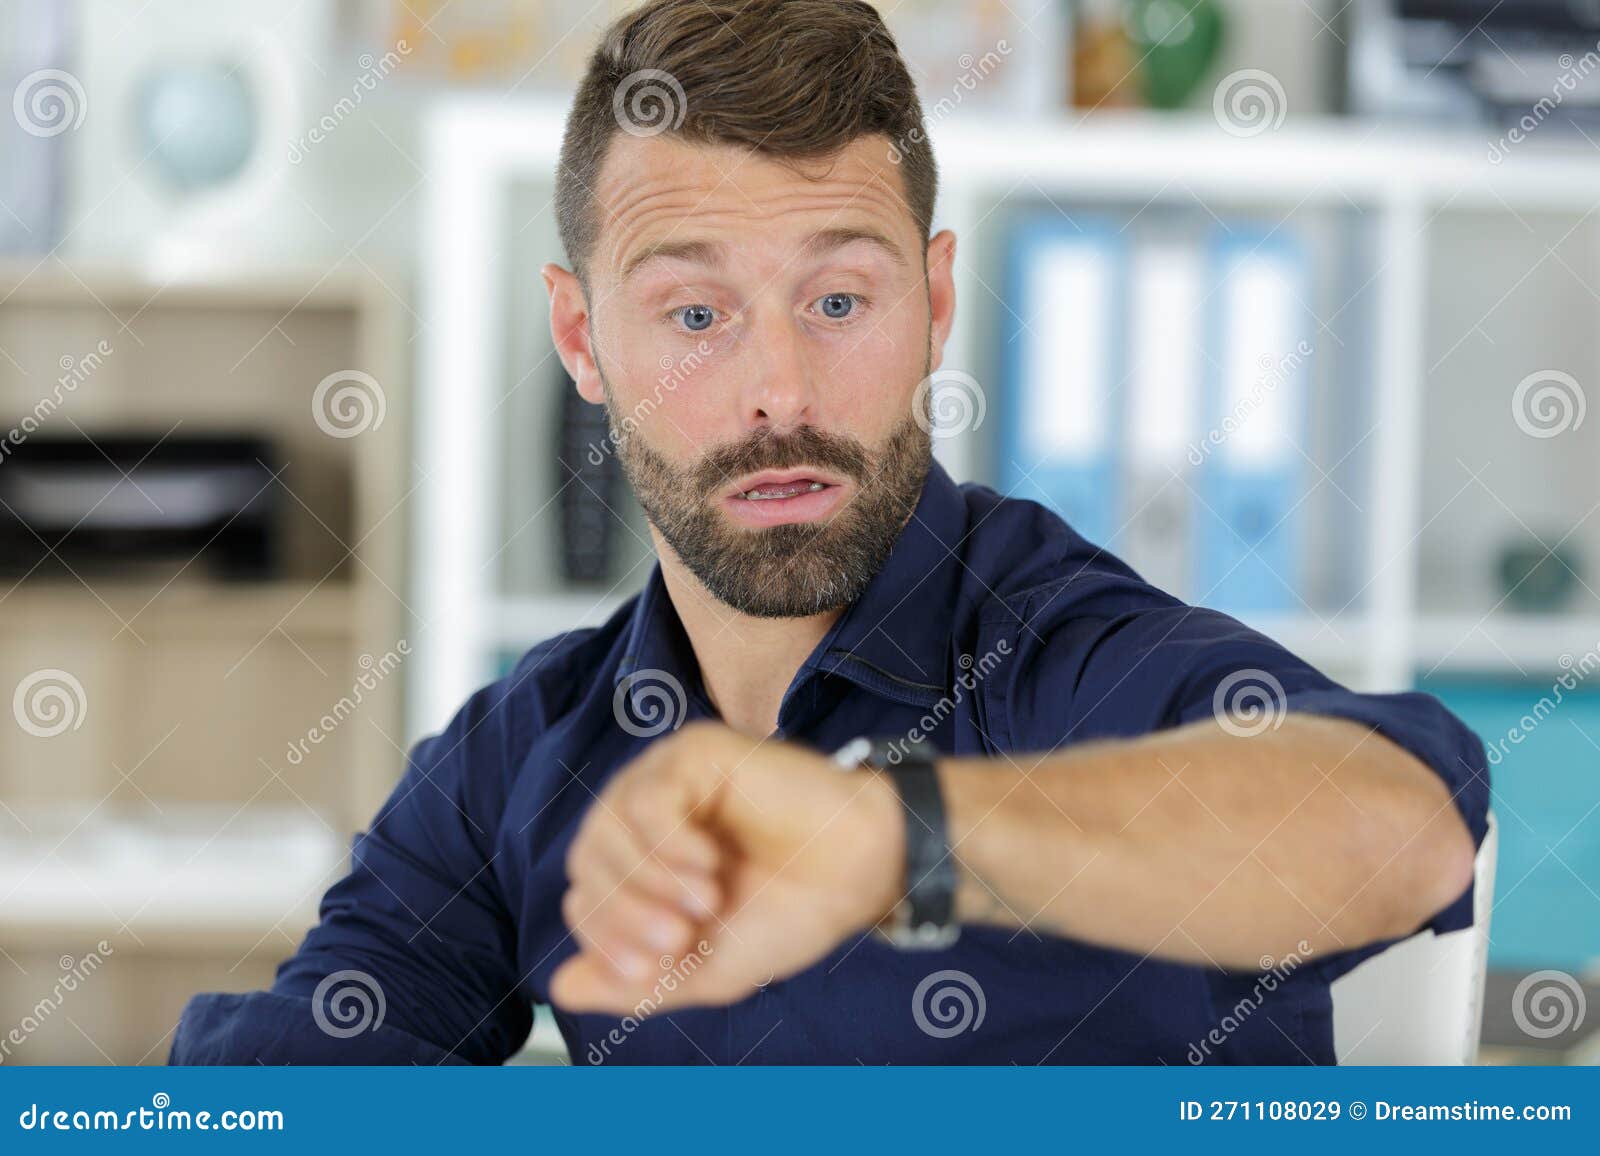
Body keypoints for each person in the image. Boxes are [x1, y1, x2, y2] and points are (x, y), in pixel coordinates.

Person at [171, 0, 1487, 1066]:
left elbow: (1404, 826)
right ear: (582, 338)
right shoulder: (518, 761)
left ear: (935, 298)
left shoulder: (1058, 653)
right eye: (695, 315)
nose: (782, 392)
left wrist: (888, 841)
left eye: (841, 300)